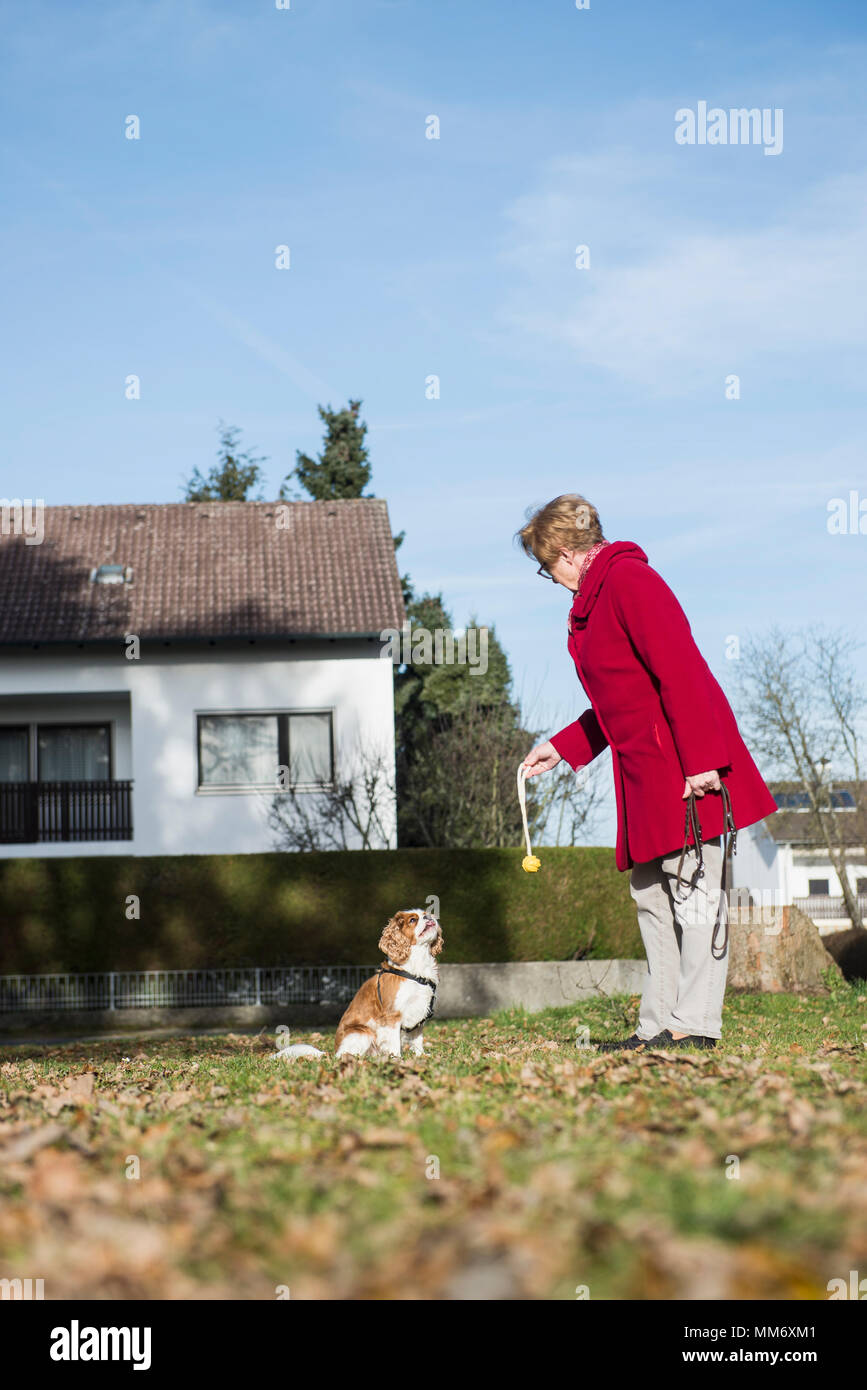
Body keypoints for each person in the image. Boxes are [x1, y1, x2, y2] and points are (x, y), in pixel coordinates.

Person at [518, 494, 777, 1051]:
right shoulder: (592, 600)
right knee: (652, 898)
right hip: (642, 779)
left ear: (564, 553)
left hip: (686, 769)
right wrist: (562, 748)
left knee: (696, 897)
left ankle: (695, 1025)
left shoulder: (631, 582)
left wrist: (703, 761)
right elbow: (620, 702)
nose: (550, 577)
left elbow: (681, 669)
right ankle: (659, 1025)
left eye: (546, 566)